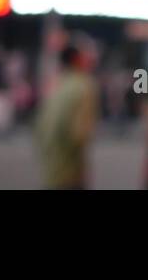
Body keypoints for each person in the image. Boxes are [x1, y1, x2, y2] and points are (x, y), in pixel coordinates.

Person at [35, 43, 100, 189]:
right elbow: (79, 133)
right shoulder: (84, 85)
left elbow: (40, 124)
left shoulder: (56, 84)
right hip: (70, 168)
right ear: (77, 59)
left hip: (51, 161)